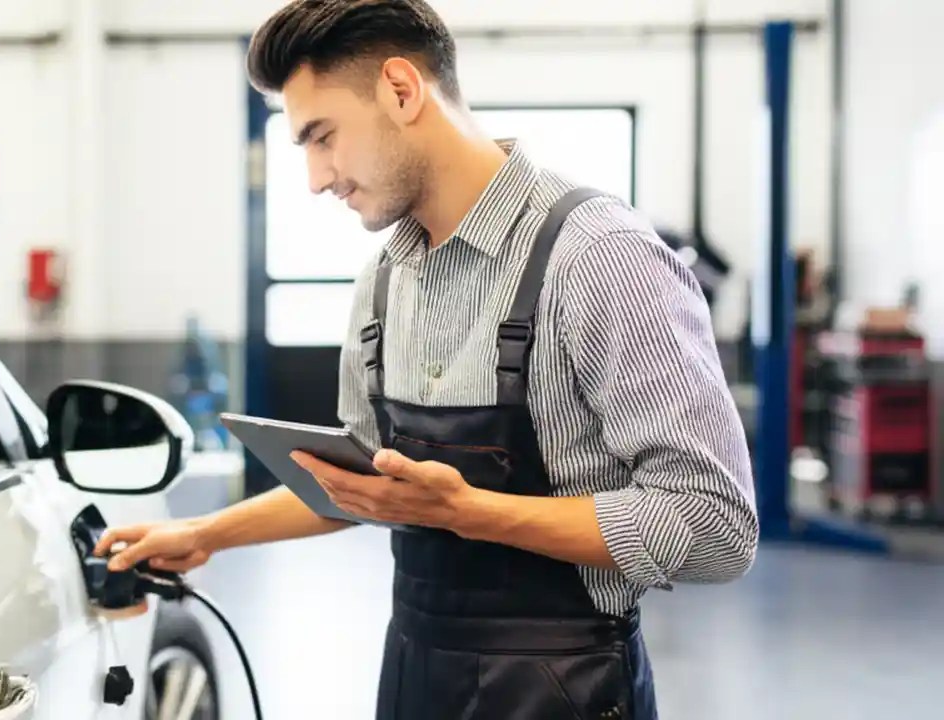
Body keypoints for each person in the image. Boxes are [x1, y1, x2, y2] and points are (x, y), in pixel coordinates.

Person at [95, 1, 758, 717]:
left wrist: (473, 513)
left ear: (402, 90)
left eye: (323, 138)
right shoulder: (384, 281)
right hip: (413, 674)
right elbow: (362, 481)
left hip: (563, 686)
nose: (317, 178)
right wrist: (204, 534)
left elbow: (715, 524)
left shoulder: (598, 257)